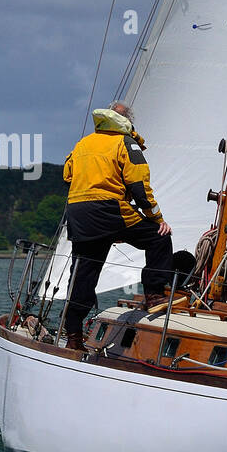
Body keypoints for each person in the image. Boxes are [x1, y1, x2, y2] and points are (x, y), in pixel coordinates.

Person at [62, 101, 173, 349]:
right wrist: (158, 219)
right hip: (109, 209)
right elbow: (140, 188)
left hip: (78, 212)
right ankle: (154, 294)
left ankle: (73, 337)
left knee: (83, 275)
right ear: (128, 122)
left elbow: (67, 175)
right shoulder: (126, 142)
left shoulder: (83, 144)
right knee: (158, 237)